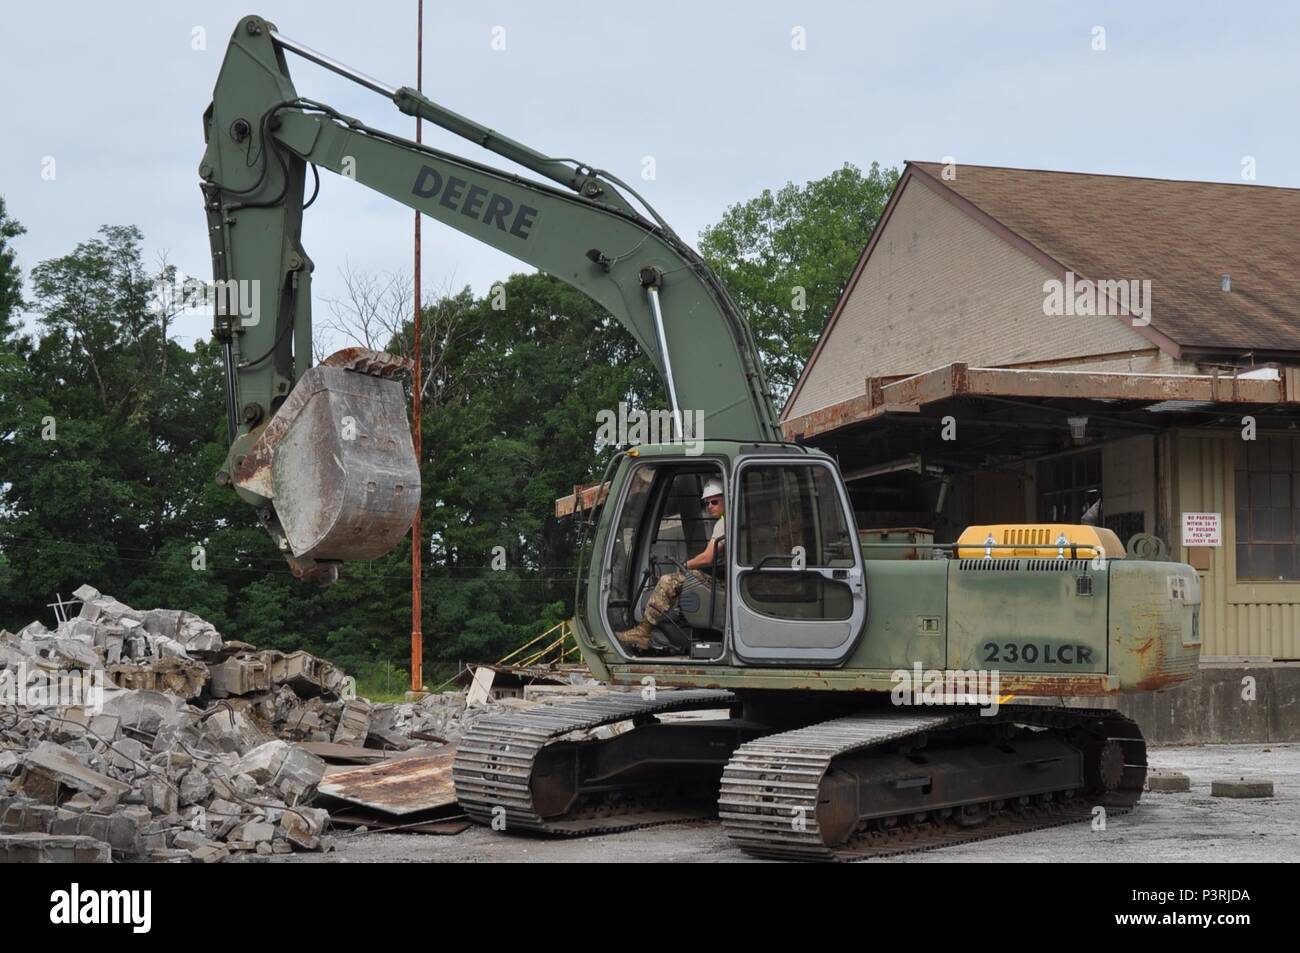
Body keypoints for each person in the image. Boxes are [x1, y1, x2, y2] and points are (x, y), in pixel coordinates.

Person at [616, 479, 726, 652]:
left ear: (727, 498)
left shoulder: (723, 523)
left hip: (726, 584)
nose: (710, 506)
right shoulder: (730, 520)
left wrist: (685, 564)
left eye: (714, 501)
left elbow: (707, 557)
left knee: (669, 580)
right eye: (707, 503)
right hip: (728, 581)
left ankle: (643, 631)